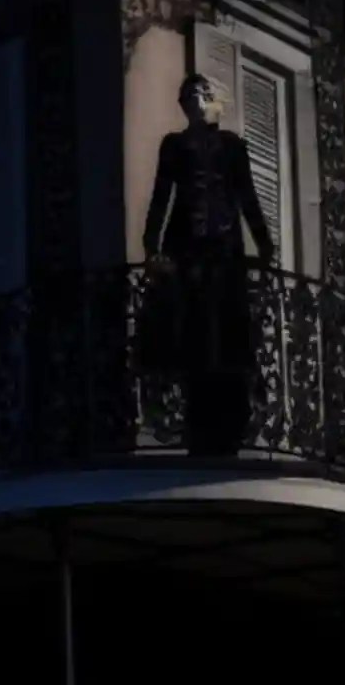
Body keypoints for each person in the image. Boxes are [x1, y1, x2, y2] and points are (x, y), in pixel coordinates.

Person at [141, 73, 276, 456]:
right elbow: (161, 196)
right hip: (187, 246)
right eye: (189, 96)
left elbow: (247, 196)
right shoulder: (174, 145)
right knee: (193, 325)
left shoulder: (233, 146)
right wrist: (151, 247)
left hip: (225, 247)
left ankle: (228, 401)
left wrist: (265, 243)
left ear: (212, 100)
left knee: (227, 325)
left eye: (201, 95)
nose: (195, 101)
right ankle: (198, 396)